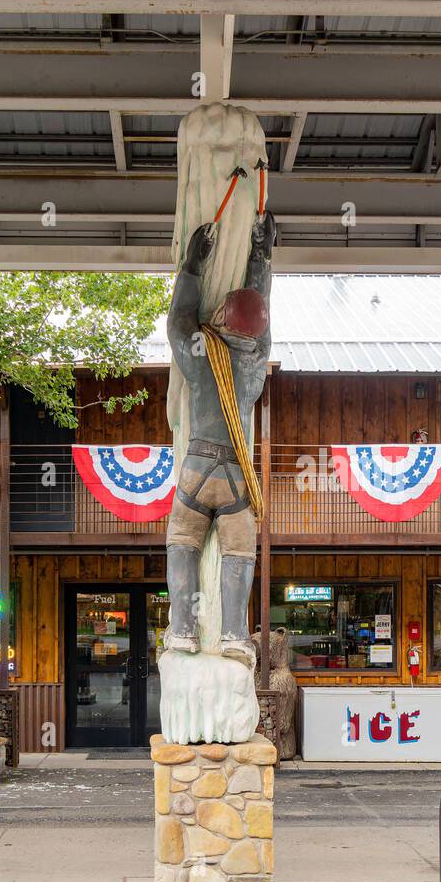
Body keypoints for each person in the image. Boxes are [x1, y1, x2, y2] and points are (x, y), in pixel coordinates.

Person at [164, 208, 275, 667]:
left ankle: (183, 630)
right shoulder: (257, 360)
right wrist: (262, 255)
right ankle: (233, 633)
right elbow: (258, 301)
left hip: (196, 468)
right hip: (236, 473)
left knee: (182, 544)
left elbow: (178, 322)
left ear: (224, 322)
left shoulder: (203, 353)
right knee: (239, 552)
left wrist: (192, 266)